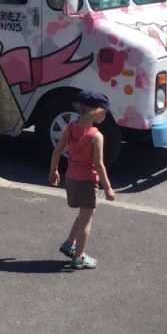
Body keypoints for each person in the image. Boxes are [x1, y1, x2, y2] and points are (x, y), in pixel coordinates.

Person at [48, 89, 116, 270]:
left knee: (86, 213)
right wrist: (108, 188)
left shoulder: (70, 128)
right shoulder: (96, 136)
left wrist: (54, 171)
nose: (106, 114)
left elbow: (57, 150)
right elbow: (99, 164)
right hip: (87, 181)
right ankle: (79, 257)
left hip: (71, 178)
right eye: (105, 110)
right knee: (87, 219)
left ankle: (69, 243)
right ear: (95, 111)